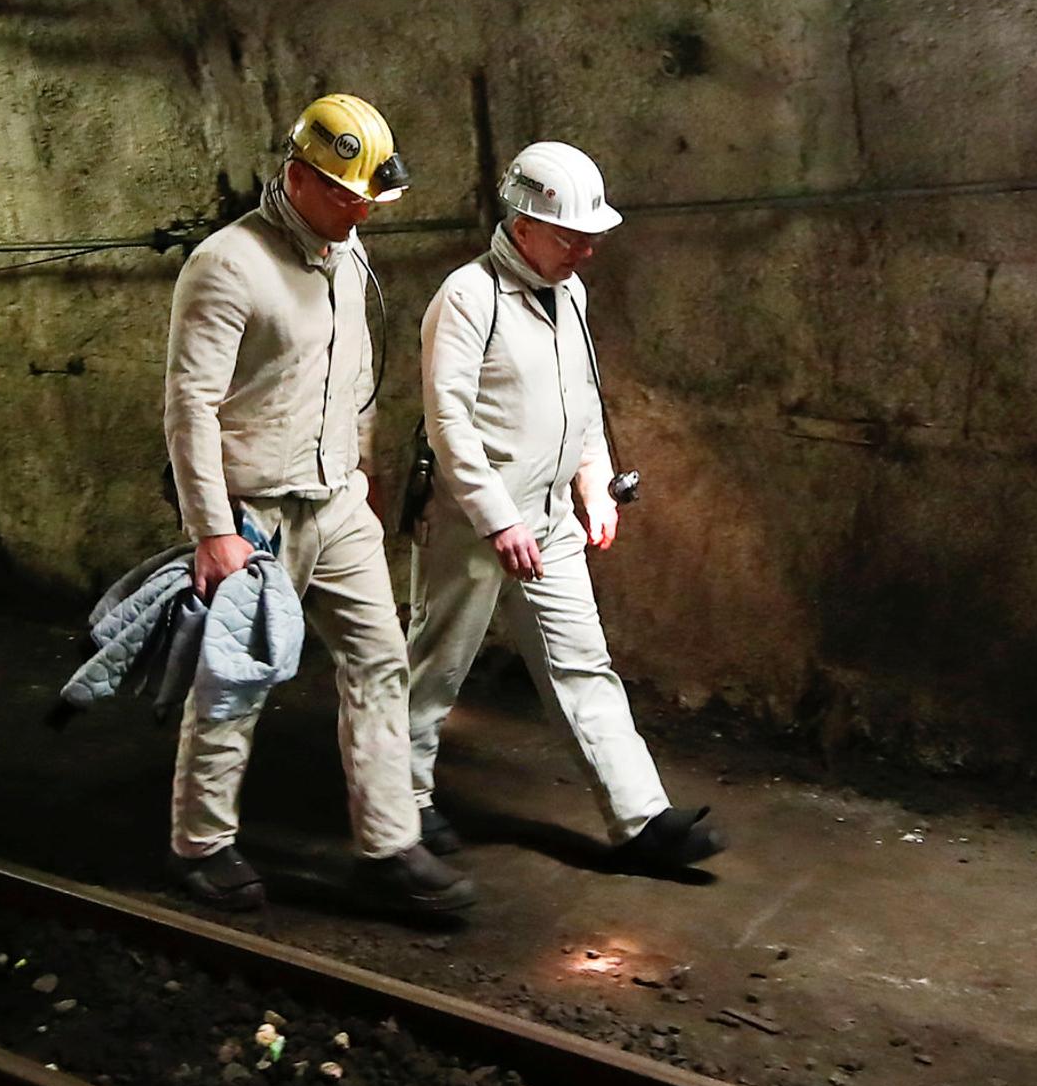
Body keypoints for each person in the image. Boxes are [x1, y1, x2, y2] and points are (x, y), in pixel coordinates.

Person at [159, 93, 474, 916]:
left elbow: (354, 376)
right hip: (254, 513)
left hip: (336, 505)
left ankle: (389, 844)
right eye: (345, 195)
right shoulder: (228, 264)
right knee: (237, 680)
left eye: (368, 199)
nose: (359, 210)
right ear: (299, 175)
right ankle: (202, 843)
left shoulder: (348, 253)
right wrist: (212, 531)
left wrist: (361, 469)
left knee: (379, 661)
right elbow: (189, 404)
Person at [403, 140, 723, 873]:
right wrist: (496, 518)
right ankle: (401, 803)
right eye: (571, 236)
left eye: (593, 237)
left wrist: (593, 480)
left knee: (584, 665)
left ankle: (642, 820)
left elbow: (579, 398)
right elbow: (448, 423)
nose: (586, 251)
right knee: (436, 668)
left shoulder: (568, 293)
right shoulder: (467, 297)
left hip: (550, 519)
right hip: (471, 521)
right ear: (522, 227)